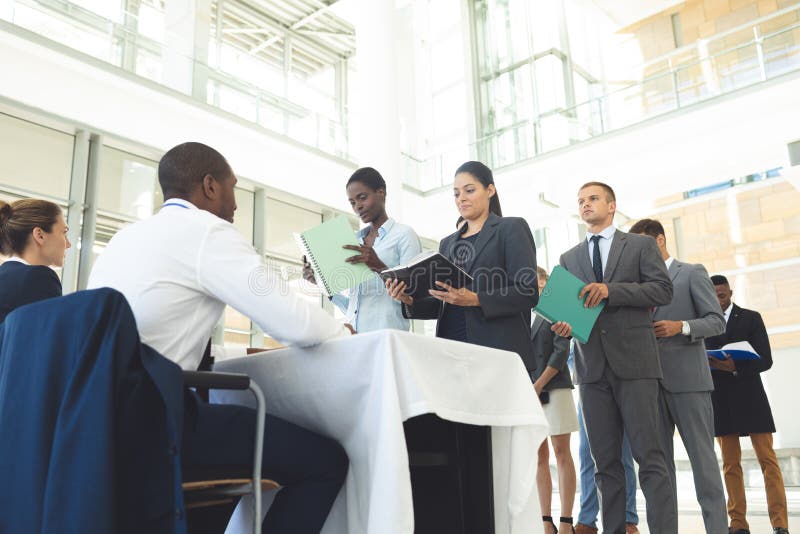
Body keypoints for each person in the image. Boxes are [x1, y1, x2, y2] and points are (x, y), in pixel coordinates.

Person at [88, 142, 351, 534]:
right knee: (326, 461)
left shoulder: (124, 240)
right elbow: (295, 323)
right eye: (233, 187)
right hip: (156, 423)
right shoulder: (209, 232)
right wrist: (341, 330)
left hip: (100, 422)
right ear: (210, 186)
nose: (236, 203)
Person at [558, 182, 677, 534]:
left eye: (593, 198)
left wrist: (611, 291)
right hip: (591, 372)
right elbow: (571, 314)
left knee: (650, 459)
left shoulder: (639, 246)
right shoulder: (569, 258)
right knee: (605, 465)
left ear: (611, 206)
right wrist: (565, 326)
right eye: (580, 200)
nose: (585, 204)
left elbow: (663, 290)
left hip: (637, 367)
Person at [385, 161, 544, 372]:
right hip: (452, 348)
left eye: (469, 190)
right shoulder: (447, 244)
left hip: (497, 349)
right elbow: (443, 301)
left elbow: (528, 292)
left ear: (490, 190)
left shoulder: (511, 229)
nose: (461, 198)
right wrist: (408, 299)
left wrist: (476, 299)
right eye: (456, 194)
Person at [630, 218, 727, 534]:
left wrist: (681, 327)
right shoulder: (637, 287)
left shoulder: (691, 272)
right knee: (658, 470)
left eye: (642, 246)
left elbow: (716, 321)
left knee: (704, 464)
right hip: (649, 385)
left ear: (659, 240)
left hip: (689, 384)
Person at [707, 275, 789, 534]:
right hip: (721, 398)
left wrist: (735, 367)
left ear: (730, 292)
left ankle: (779, 523)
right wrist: (715, 363)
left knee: (768, 459)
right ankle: (738, 523)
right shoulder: (706, 323)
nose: (718, 300)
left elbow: (766, 359)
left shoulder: (751, 318)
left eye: (722, 295)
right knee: (730, 463)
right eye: (714, 296)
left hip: (751, 396)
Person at [304, 167, 422, 332]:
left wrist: (379, 266)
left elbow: (414, 295)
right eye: (352, 202)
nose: (357, 207)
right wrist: (323, 284)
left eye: (362, 198)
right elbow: (354, 307)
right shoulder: (355, 242)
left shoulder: (404, 235)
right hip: (355, 338)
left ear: (381, 192)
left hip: (387, 337)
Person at [531, 266, 578, 534]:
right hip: (530, 392)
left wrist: (538, 384)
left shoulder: (557, 311)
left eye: (540, 284)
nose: (536, 289)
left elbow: (561, 354)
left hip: (555, 388)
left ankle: (566, 520)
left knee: (562, 453)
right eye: (532, 284)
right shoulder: (518, 314)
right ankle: (545, 519)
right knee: (539, 457)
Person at [0, 198, 69, 322]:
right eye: (64, 233)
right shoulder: (38, 277)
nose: (68, 244)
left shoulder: (5, 276)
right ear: (40, 235)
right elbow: (48, 337)